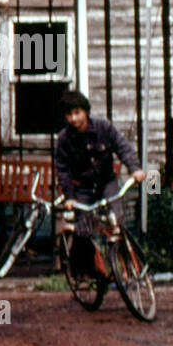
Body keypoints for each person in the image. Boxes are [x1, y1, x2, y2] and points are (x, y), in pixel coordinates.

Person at [53, 90, 146, 276]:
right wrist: (69, 197)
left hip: (106, 181)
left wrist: (134, 169)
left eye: (77, 113)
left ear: (86, 111)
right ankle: (86, 274)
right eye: (69, 115)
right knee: (83, 230)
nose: (74, 118)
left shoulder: (103, 127)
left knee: (117, 220)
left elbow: (122, 146)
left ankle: (131, 264)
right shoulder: (63, 140)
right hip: (83, 188)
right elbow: (62, 170)